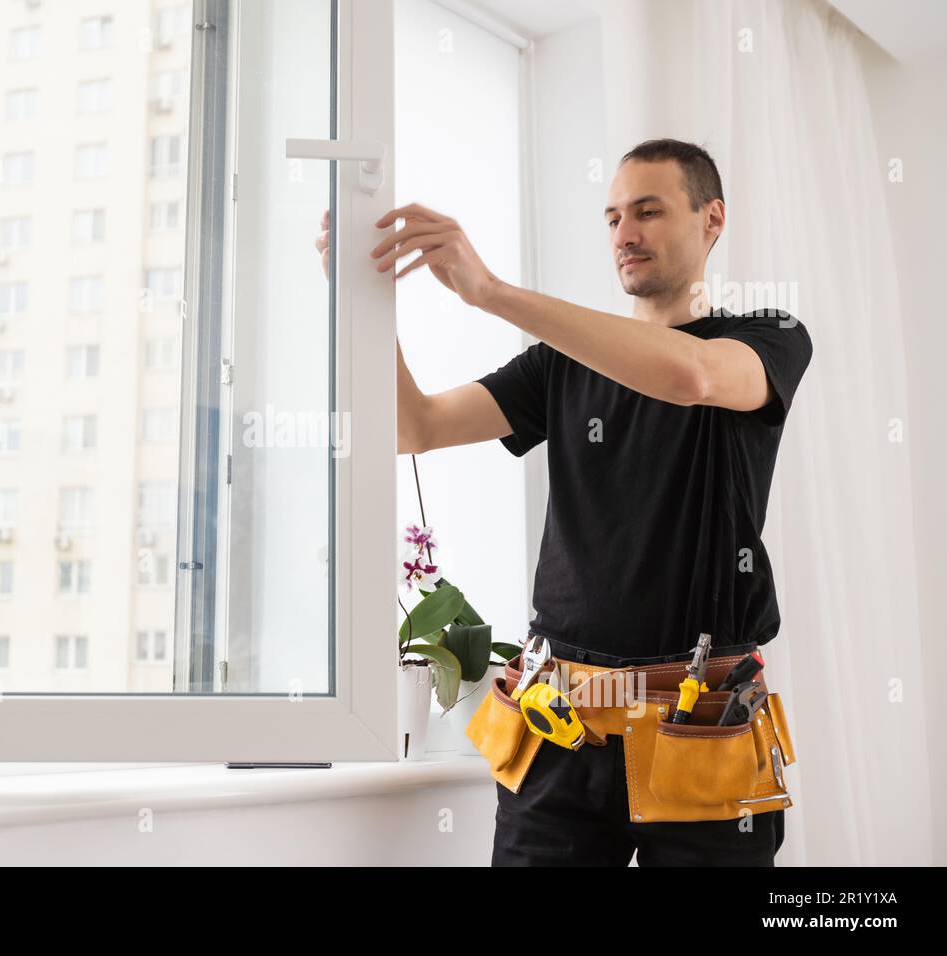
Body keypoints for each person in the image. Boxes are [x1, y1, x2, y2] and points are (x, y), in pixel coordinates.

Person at [316, 138, 812, 866]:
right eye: (612, 217)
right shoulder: (561, 362)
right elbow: (411, 427)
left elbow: (693, 377)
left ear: (712, 221)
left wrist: (491, 292)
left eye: (647, 211)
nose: (624, 234)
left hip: (704, 730)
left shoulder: (767, 337)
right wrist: (356, 307)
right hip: (558, 730)